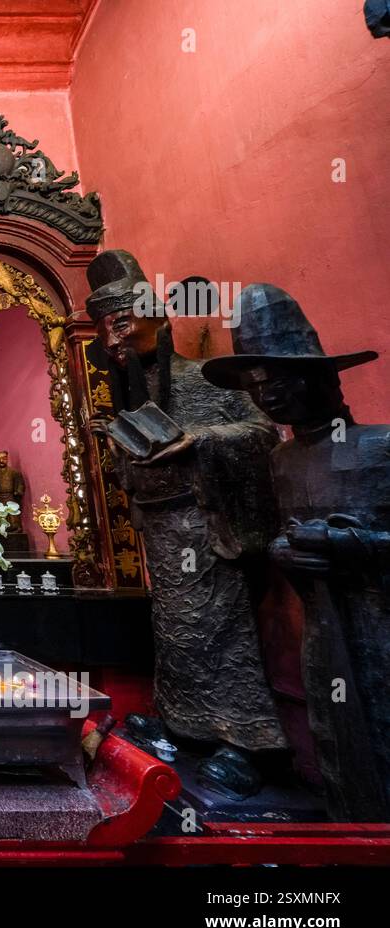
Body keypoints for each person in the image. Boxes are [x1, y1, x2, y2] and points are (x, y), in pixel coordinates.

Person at [85, 250, 286, 796]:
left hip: (205, 520)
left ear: (155, 316)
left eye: (121, 322)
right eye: (104, 328)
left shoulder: (207, 379)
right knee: (174, 631)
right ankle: (182, 723)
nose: (113, 337)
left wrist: (197, 440)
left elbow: (263, 432)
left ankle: (245, 739)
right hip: (160, 526)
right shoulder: (130, 389)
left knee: (220, 626)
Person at [203, 284, 389, 820]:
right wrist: (290, 553)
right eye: (259, 386)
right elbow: (282, 536)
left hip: (377, 617)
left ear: (325, 376)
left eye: (284, 380)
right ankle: (350, 830)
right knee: (337, 732)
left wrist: (349, 544)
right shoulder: (282, 460)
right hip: (325, 623)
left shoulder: (381, 447)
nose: (272, 396)